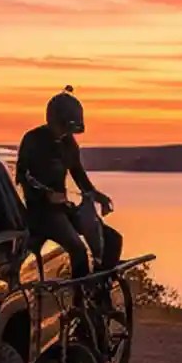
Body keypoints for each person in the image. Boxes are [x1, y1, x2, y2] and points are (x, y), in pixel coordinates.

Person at [15, 86, 119, 281]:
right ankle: (78, 303)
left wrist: (97, 196)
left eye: (69, 129)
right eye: (64, 127)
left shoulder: (68, 144)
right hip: (42, 213)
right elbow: (22, 176)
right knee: (77, 249)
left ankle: (99, 287)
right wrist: (45, 194)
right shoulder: (33, 140)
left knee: (113, 239)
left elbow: (78, 174)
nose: (66, 132)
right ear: (53, 119)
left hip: (63, 208)